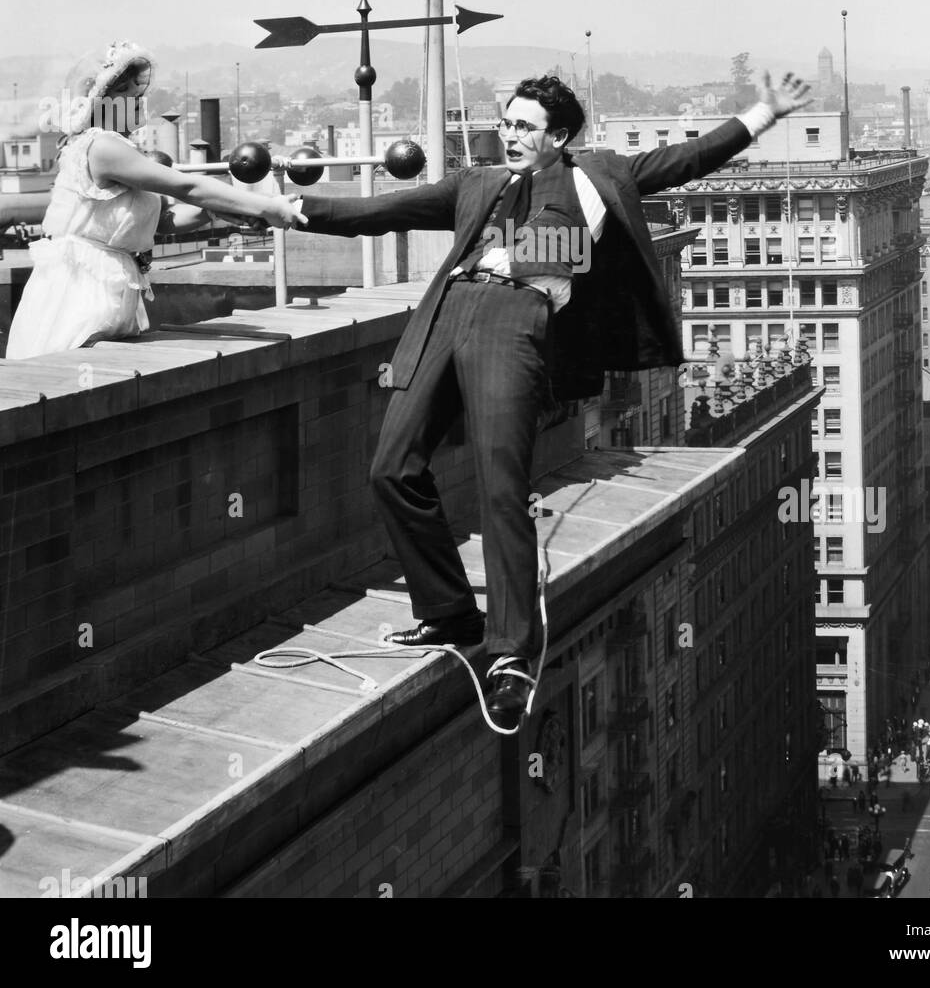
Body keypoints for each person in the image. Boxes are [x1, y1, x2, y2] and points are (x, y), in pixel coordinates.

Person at [294, 71, 811, 726]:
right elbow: (375, 215)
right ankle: (450, 613)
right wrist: (284, 209)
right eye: (506, 123)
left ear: (558, 136)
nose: (509, 135)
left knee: (500, 485)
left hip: (517, 325)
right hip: (444, 317)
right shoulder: (475, 185)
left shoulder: (597, 175)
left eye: (524, 126)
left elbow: (686, 160)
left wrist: (762, 113)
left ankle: (509, 653)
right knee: (391, 470)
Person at [5, 41, 305, 359]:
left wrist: (220, 212)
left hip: (106, 293)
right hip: (79, 297)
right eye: (132, 95)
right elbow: (186, 187)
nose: (141, 104)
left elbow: (165, 220)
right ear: (103, 100)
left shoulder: (115, 148)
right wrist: (268, 206)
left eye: (141, 96)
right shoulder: (101, 146)